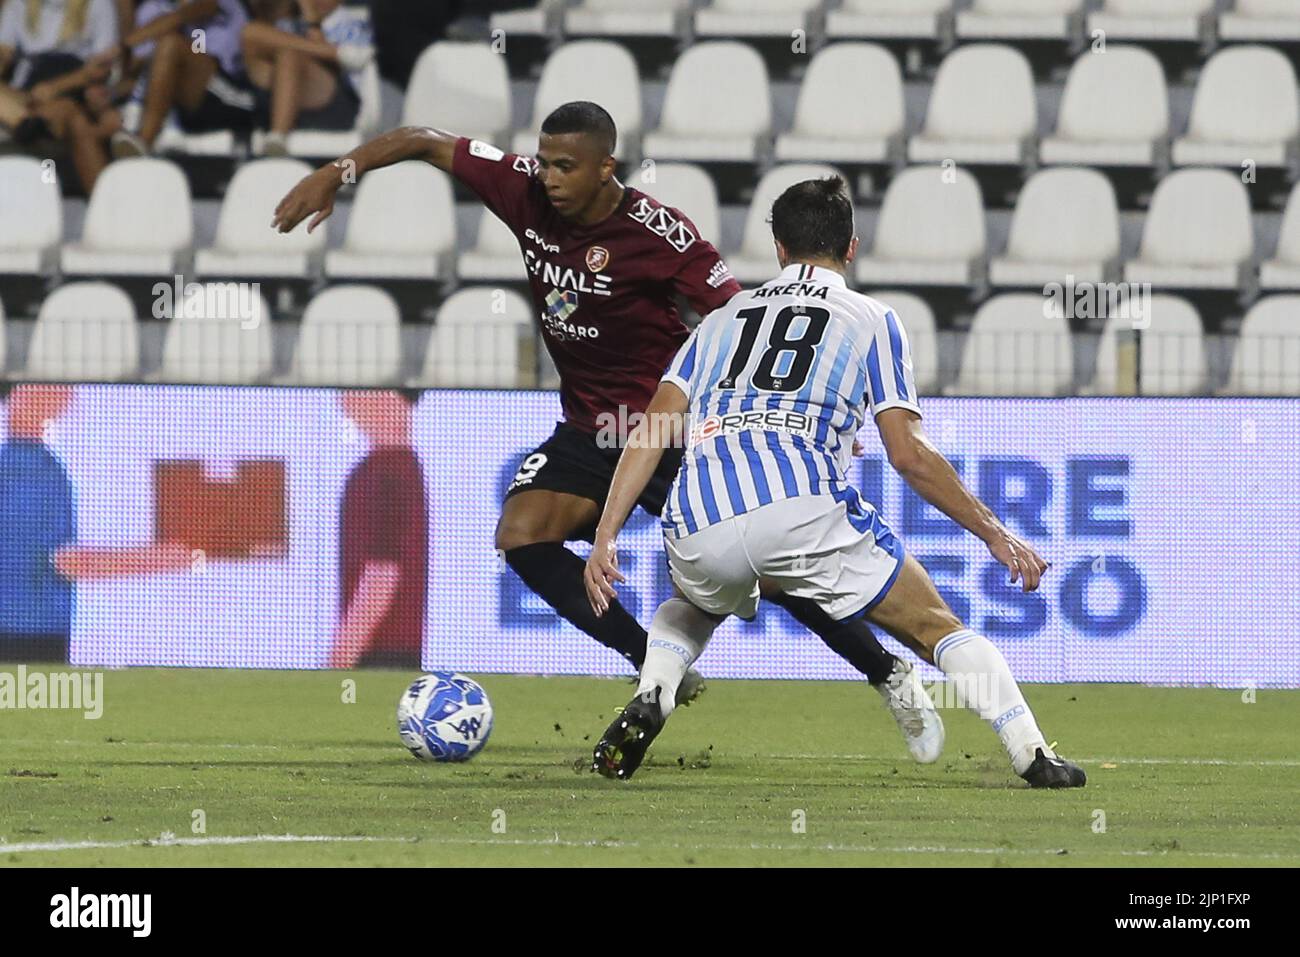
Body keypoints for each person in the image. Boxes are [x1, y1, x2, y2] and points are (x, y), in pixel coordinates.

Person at [270, 102, 942, 761]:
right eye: (544, 163)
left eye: (565, 166)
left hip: (671, 433)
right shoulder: (524, 191)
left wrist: (804, 401)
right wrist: (340, 170)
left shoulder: (661, 236)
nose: (550, 178)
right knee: (522, 531)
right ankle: (648, 657)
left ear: (605, 168)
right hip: (590, 430)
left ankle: (890, 674)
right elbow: (423, 139)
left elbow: (749, 322)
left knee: (784, 572)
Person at [583, 176, 1086, 789]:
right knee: (935, 626)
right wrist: (993, 532)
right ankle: (1033, 753)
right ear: (852, 246)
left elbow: (651, 430)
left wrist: (605, 535)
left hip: (697, 512)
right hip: (800, 505)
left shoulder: (720, 320)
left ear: (777, 247)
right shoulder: (872, 318)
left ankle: (656, 692)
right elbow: (909, 455)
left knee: (693, 603)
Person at [329, 389, 428, 670]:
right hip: (389, 647)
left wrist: (344, 650)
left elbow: (383, 572)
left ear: (393, 398)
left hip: (381, 651)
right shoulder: (392, 467)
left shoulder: (389, 472)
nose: (345, 399)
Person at [108, 0, 259, 157]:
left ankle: (144, 141)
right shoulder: (156, 8)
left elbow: (185, 15)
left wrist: (126, 44)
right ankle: (138, 129)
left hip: (234, 93)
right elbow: (139, 65)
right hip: (194, 95)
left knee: (171, 45)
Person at [240, 0, 372, 156]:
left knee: (291, 54)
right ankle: (337, 52)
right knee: (250, 32)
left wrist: (313, 23)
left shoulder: (354, 26)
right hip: (283, 97)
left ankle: (278, 137)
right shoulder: (287, 23)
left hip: (338, 104)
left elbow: (352, 72)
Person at [0, 0, 118, 147]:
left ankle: (32, 123)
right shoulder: (17, 4)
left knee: (66, 108)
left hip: (73, 80)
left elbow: (103, 67)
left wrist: (57, 86)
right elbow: (4, 51)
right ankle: (29, 121)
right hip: (28, 85)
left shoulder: (98, 4)